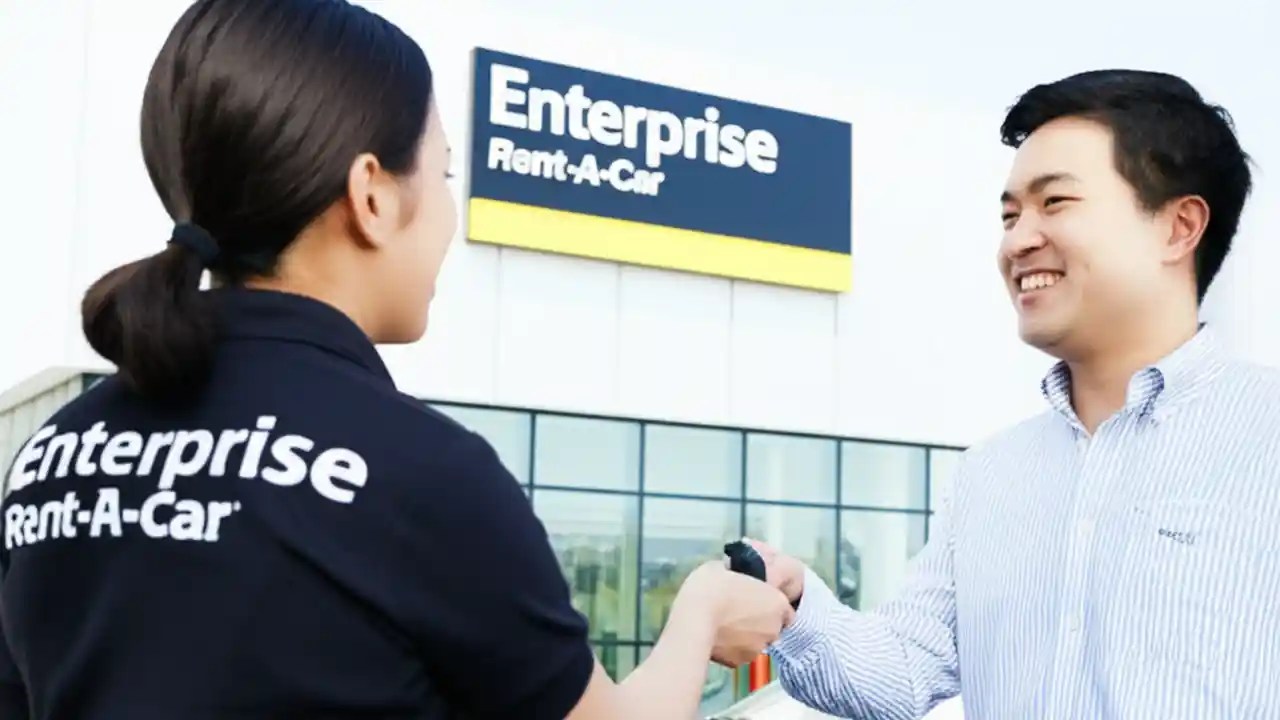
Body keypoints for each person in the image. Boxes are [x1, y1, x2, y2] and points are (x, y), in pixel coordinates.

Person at [0, 1, 793, 718]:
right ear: (373, 195)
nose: (448, 213)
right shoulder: (422, 475)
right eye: (442, 174)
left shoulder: (52, 456)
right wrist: (699, 618)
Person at [752, 69, 1280, 719]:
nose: (1017, 241)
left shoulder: (1267, 440)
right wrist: (795, 601)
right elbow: (903, 671)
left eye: (1055, 202)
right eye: (1010, 215)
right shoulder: (991, 473)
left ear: (1178, 227)